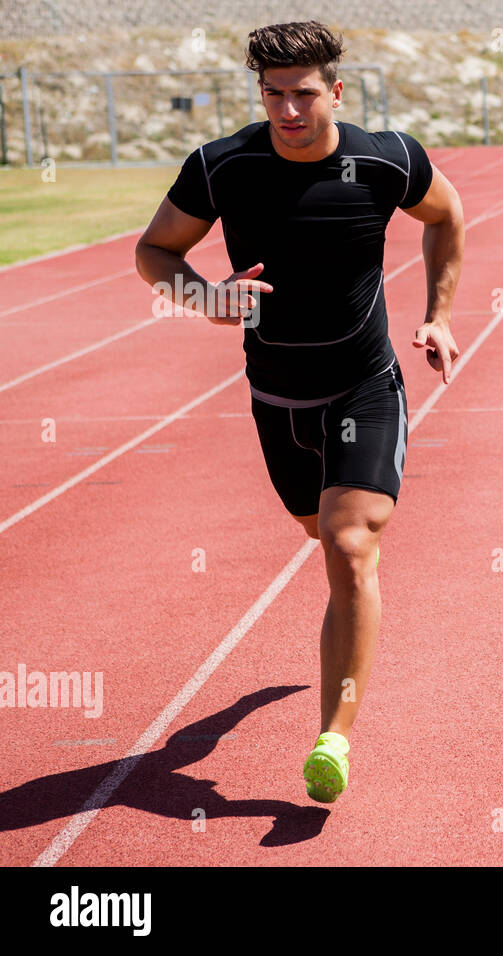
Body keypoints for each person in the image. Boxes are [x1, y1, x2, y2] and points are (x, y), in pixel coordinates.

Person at [134, 20, 464, 803]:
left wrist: (439, 314)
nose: (288, 110)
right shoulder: (223, 168)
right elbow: (155, 253)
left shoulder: (387, 160)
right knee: (319, 534)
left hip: (365, 386)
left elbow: (447, 217)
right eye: (273, 95)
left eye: (303, 94)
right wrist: (205, 299)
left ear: (336, 92)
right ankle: (335, 633)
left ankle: (334, 738)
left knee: (350, 547)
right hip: (276, 399)